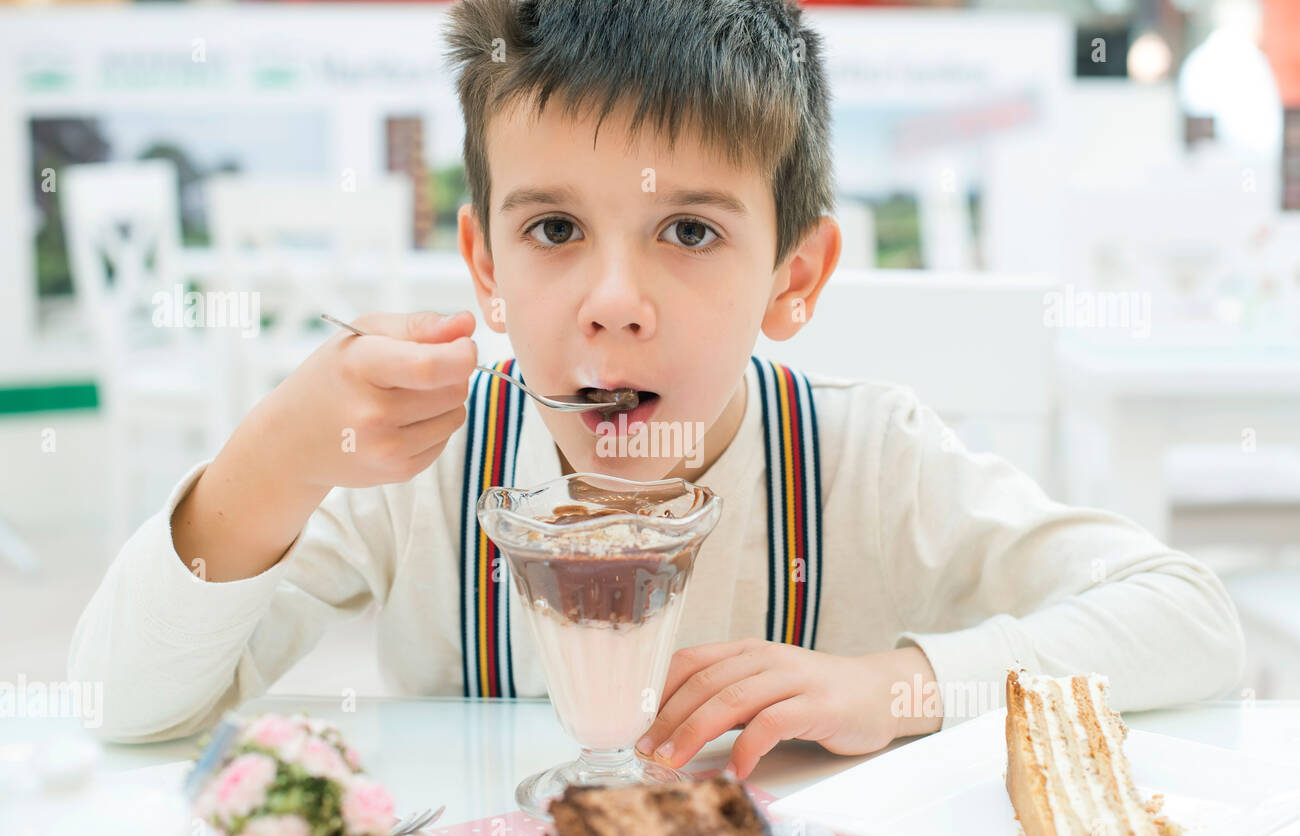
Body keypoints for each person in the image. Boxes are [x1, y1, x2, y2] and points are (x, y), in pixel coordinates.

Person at [69, 0, 1244, 781]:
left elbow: (1188, 619)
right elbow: (125, 708)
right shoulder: (423, 476)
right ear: (484, 266)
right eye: (555, 228)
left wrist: (899, 684)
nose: (612, 300)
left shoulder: (863, 460)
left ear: (793, 278)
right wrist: (272, 460)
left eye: (687, 228)